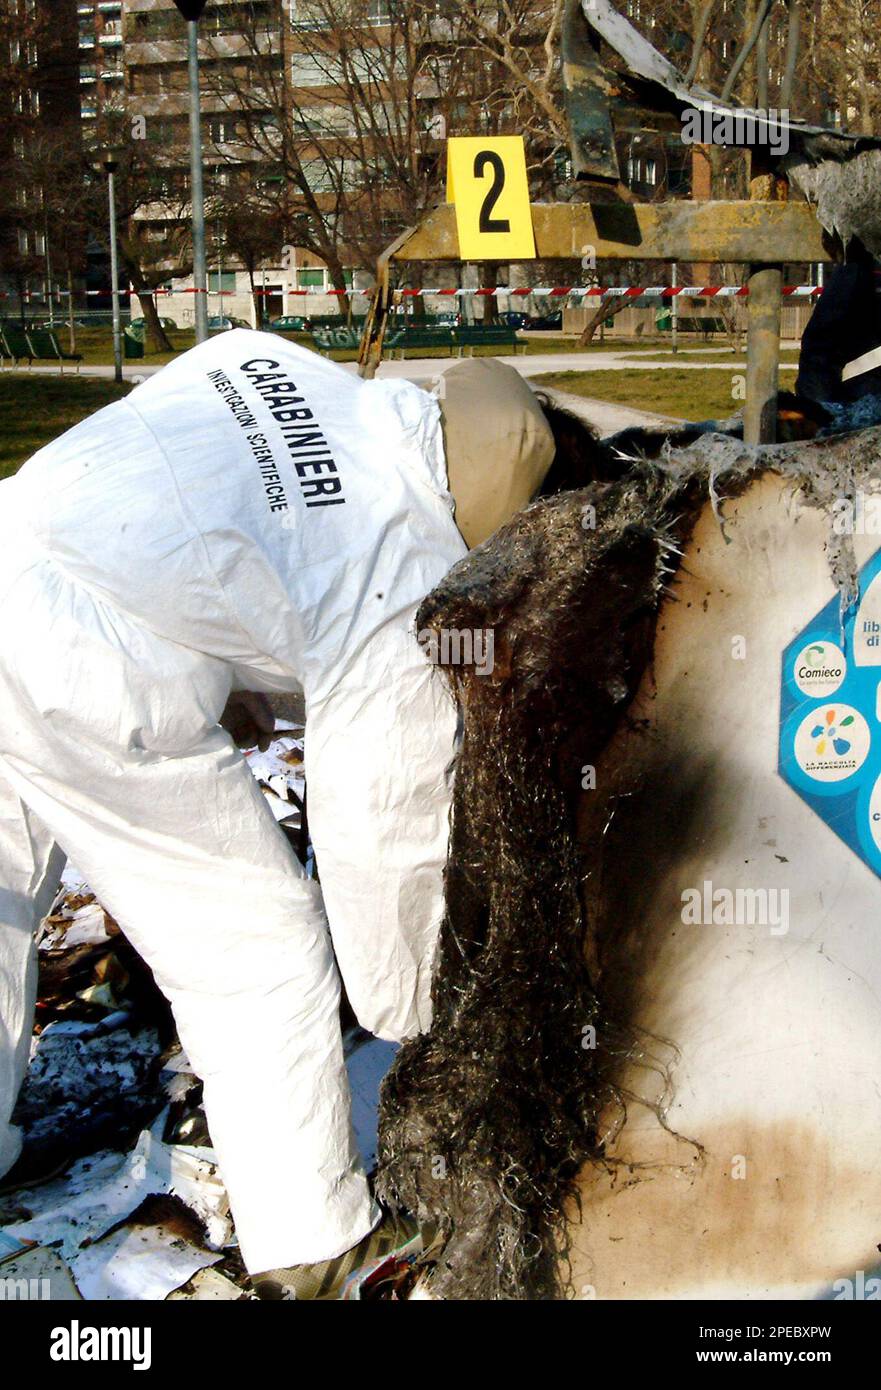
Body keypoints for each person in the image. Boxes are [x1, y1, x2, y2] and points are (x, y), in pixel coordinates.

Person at [0, 335, 556, 1299]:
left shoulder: (274, 361)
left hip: (14, 544)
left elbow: (217, 534)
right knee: (259, 952)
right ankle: (312, 1237)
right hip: (83, 670)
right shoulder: (402, 576)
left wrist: (240, 662)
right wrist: (431, 1010)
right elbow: (377, 839)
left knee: (3, 880)